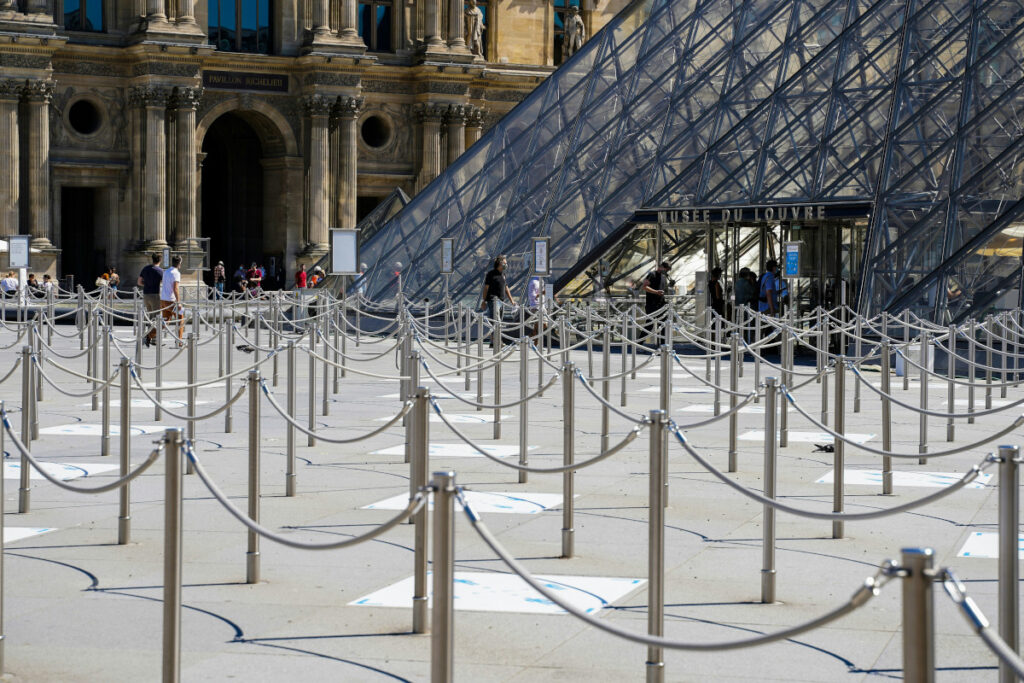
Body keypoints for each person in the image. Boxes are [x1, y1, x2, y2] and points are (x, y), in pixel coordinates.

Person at [138, 253, 164, 347]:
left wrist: (147, 284)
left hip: (146, 295)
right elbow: (163, 282)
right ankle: (153, 338)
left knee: (149, 316)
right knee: (156, 317)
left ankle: (149, 336)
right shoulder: (160, 271)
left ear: (152, 259)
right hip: (155, 295)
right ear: (160, 260)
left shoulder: (145, 269)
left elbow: (139, 282)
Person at [480, 254, 515, 323]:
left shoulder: (503, 274)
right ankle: (494, 333)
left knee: (499, 322)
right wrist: (484, 301)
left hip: (501, 301)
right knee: (496, 321)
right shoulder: (491, 274)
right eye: (505, 263)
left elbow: (506, 288)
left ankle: (493, 333)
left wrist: (512, 301)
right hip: (494, 300)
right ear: (500, 263)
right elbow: (486, 288)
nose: (506, 265)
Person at [642, 261, 671, 342]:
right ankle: (639, 344)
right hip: (651, 304)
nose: (666, 271)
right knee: (649, 325)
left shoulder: (663, 277)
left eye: (667, 270)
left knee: (663, 325)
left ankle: (662, 346)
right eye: (666, 269)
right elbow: (644, 286)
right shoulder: (652, 274)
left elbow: (664, 289)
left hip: (661, 305)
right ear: (661, 267)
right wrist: (656, 292)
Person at [160, 255, 184, 342]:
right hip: (171, 301)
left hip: (163, 299)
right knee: (180, 319)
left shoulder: (166, 271)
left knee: (165, 322)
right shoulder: (176, 273)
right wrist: (179, 302)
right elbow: (175, 288)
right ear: (179, 263)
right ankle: (179, 341)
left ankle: (149, 336)